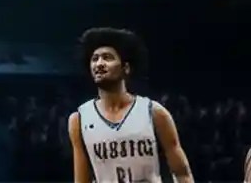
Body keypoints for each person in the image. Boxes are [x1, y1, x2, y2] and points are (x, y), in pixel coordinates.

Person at [67, 27, 192, 183]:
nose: (99, 63)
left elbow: (182, 173)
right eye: (95, 59)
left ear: (125, 68)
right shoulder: (79, 120)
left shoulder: (154, 112)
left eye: (107, 58)